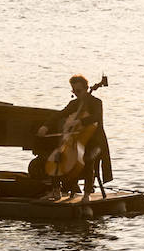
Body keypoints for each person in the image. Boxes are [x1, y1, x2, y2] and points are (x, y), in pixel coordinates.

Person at [34, 74, 112, 203]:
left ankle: (87, 193)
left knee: (87, 158)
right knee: (58, 156)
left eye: (79, 91)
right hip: (77, 141)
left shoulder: (96, 103)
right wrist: (45, 126)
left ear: (86, 89)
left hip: (95, 142)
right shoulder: (74, 104)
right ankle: (56, 190)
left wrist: (80, 121)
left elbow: (96, 117)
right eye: (74, 91)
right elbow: (59, 114)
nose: (76, 94)